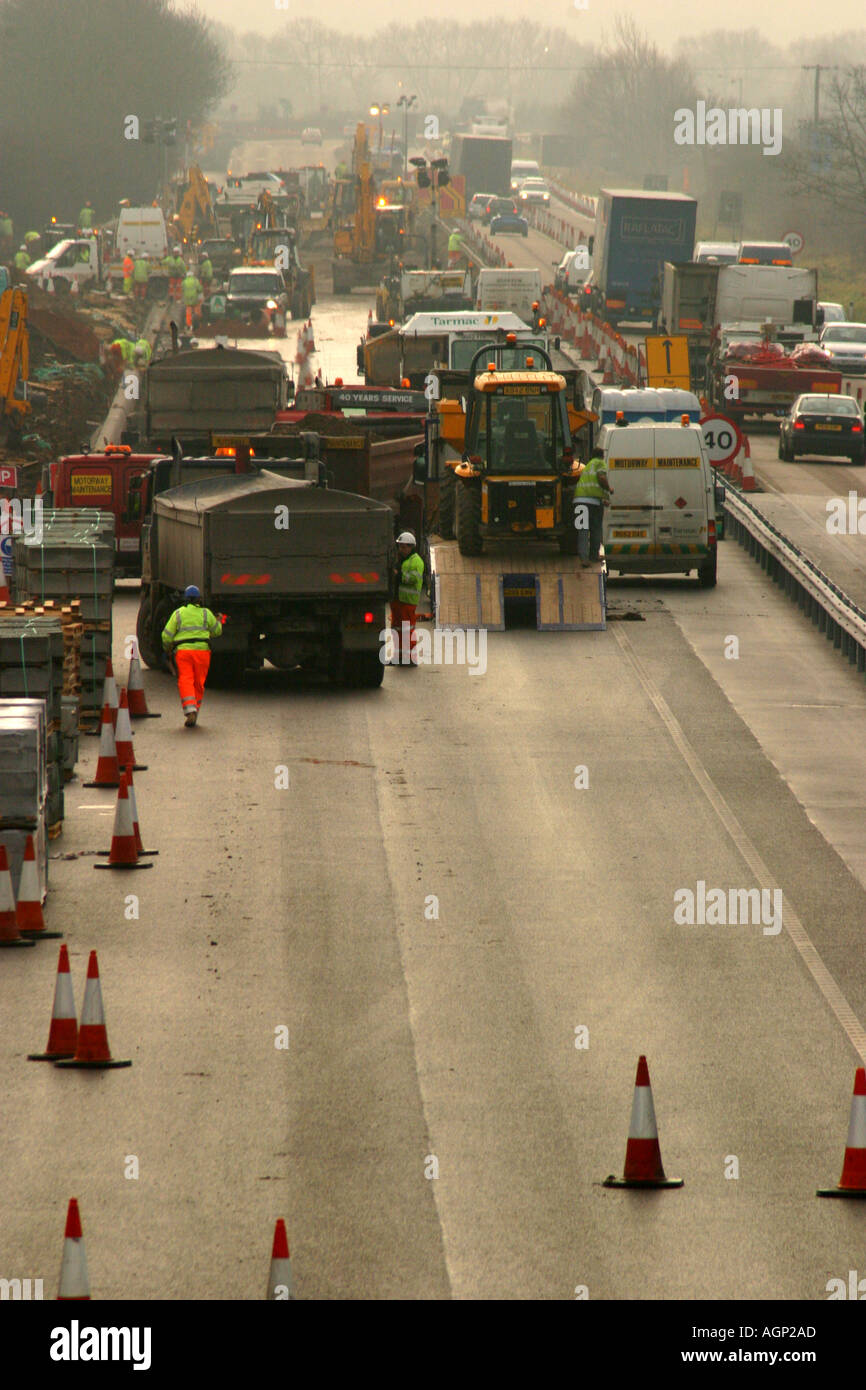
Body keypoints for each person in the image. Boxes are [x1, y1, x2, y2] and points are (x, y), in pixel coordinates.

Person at [161, 585, 224, 726]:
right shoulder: (206, 613)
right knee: (199, 682)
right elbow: (217, 631)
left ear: (185, 599)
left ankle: (190, 711)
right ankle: (195, 709)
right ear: (199, 600)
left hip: (183, 653)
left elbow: (166, 635)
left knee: (186, 679)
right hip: (203, 652)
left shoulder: (178, 613)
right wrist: (218, 620)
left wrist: (167, 649)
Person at [572, 450, 613, 564]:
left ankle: (584, 558)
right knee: (595, 529)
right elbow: (601, 478)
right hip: (593, 504)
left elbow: (591, 486)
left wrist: (602, 498)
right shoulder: (600, 463)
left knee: (583, 530)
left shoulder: (587, 466)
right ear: (602, 456)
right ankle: (594, 556)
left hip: (579, 502)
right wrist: (609, 489)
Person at [390, 531, 425, 665]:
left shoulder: (416, 561)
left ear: (411, 547)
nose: (401, 549)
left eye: (404, 547)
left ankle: (410, 658)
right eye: (400, 546)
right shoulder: (400, 560)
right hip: (397, 600)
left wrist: (398, 575)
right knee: (396, 629)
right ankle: (398, 657)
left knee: (406, 630)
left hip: (407, 601)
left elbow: (414, 578)